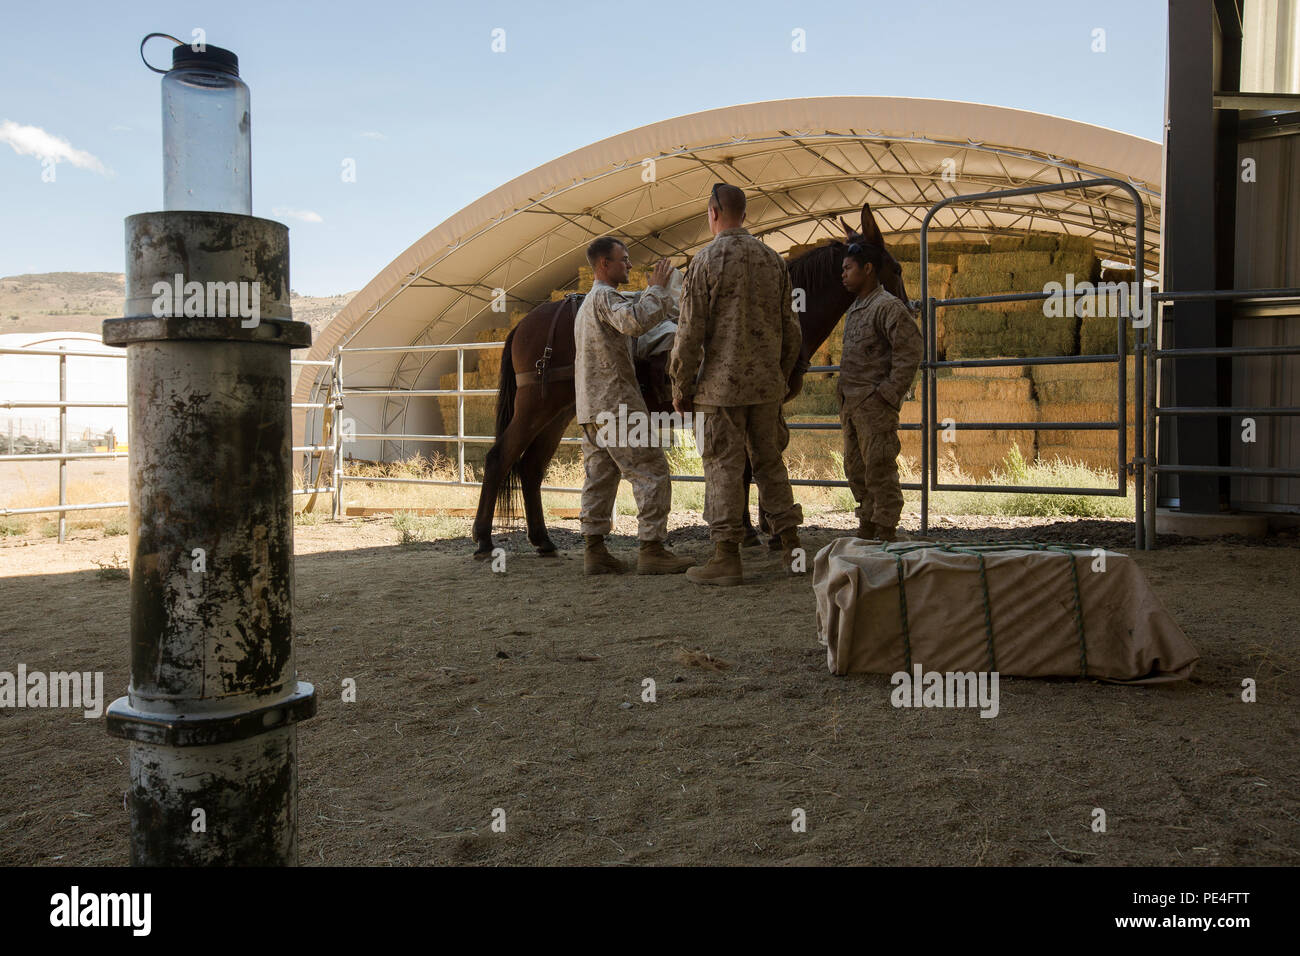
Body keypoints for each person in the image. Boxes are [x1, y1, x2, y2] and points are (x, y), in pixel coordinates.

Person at [669, 183, 804, 586]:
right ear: (743, 214)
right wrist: (778, 376)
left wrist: (681, 386)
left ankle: (727, 556)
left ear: (713, 212)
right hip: (765, 389)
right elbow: (791, 329)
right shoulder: (772, 260)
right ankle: (792, 549)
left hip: (720, 390)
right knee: (769, 462)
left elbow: (689, 332)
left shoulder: (706, 260)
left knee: (724, 466)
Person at [575, 236, 694, 576]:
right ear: (603, 265)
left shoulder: (586, 305)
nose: (628, 265)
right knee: (651, 471)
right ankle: (652, 549)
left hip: (591, 409)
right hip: (617, 406)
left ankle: (594, 551)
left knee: (600, 477)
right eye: (623, 259)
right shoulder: (606, 297)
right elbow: (636, 322)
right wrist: (657, 289)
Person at [836, 241, 923, 541]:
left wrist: (889, 392)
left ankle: (885, 527)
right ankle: (867, 521)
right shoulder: (856, 309)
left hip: (874, 404)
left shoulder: (887, 306)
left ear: (868, 269)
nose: (843, 275)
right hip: (852, 404)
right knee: (856, 468)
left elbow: (910, 350)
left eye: (848, 269)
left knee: (879, 467)